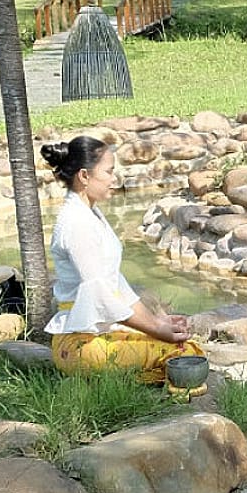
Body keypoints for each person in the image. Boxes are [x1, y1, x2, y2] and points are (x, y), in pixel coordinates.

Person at [41, 136, 204, 383]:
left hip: (93, 336)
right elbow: (102, 294)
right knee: (185, 352)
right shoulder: (77, 224)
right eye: (108, 171)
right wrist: (157, 329)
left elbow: (115, 285)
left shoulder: (89, 214)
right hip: (79, 346)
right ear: (84, 176)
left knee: (178, 344)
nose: (114, 178)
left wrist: (157, 321)